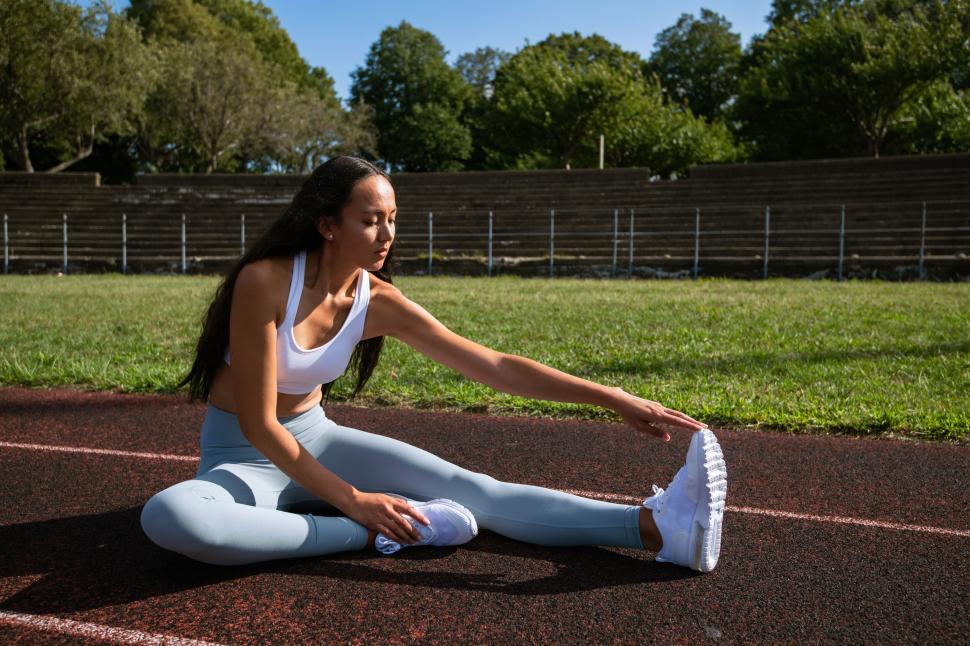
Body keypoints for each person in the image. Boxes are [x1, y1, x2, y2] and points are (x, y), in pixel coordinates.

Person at [139, 156, 727, 571]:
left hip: (320, 439)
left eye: (392, 218)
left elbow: (495, 366)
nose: (387, 233)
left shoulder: (378, 301)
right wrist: (357, 504)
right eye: (370, 219)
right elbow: (258, 425)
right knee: (172, 519)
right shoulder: (265, 282)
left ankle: (658, 529)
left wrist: (611, 396)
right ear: (327, 224)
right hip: (246, 456)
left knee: (478, 492)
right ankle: (370, 534)